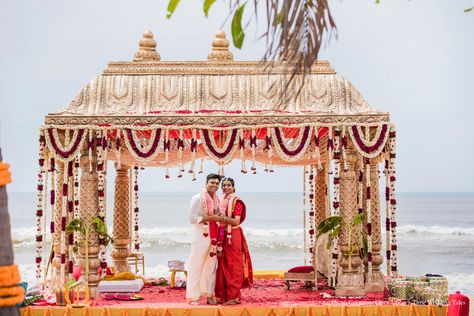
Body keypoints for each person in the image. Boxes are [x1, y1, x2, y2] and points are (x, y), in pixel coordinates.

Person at [215, 177, 253, 305]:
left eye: (228, 185)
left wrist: (222, 218)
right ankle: (223, 296)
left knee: (234, 265)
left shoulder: (237, 202)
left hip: (233, 235)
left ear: (234, 188)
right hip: (222, 234)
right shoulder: (220, 200)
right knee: (222, 264)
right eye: (223, 185)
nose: (225, 187)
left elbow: (236, 221)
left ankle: (234, 297)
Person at [186, 173, 222, 305]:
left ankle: (208, 295)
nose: (214, 185)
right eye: (212, 182)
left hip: (213, 236)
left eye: (216, 184)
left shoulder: (217, 199)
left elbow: (217, 214)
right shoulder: (197, 198)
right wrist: (210, 218)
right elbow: (192, 218)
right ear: (206, 183)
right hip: (201, 235)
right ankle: (193, 297)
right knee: (196, 265)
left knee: (211, 266)